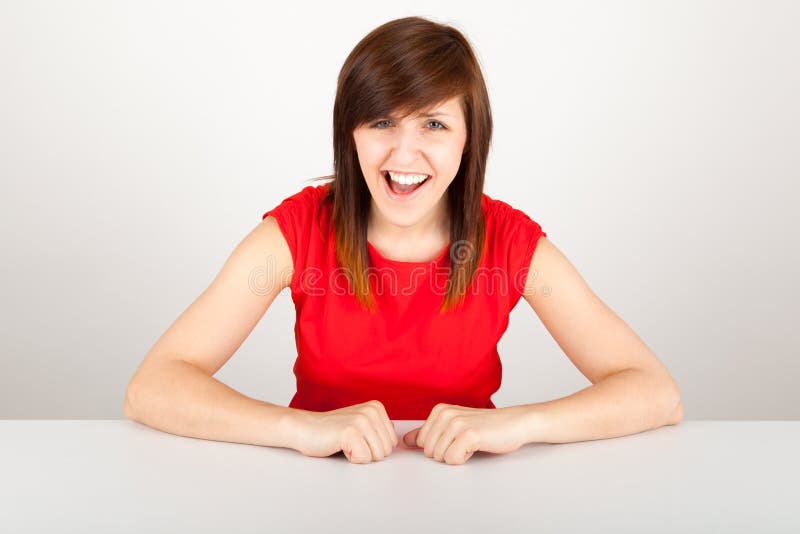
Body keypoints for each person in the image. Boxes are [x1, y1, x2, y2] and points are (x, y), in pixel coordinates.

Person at [124, 16, 683, 466]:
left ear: (469, 140)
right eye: (382, 123)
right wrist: (297, 427)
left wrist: (521, 424)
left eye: (434, 125)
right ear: (351, 133)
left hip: (467, 495)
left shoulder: (511, 243)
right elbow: (153, 386)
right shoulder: (295, 233)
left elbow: (655, 392)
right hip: (319, 494)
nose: (403, 155)